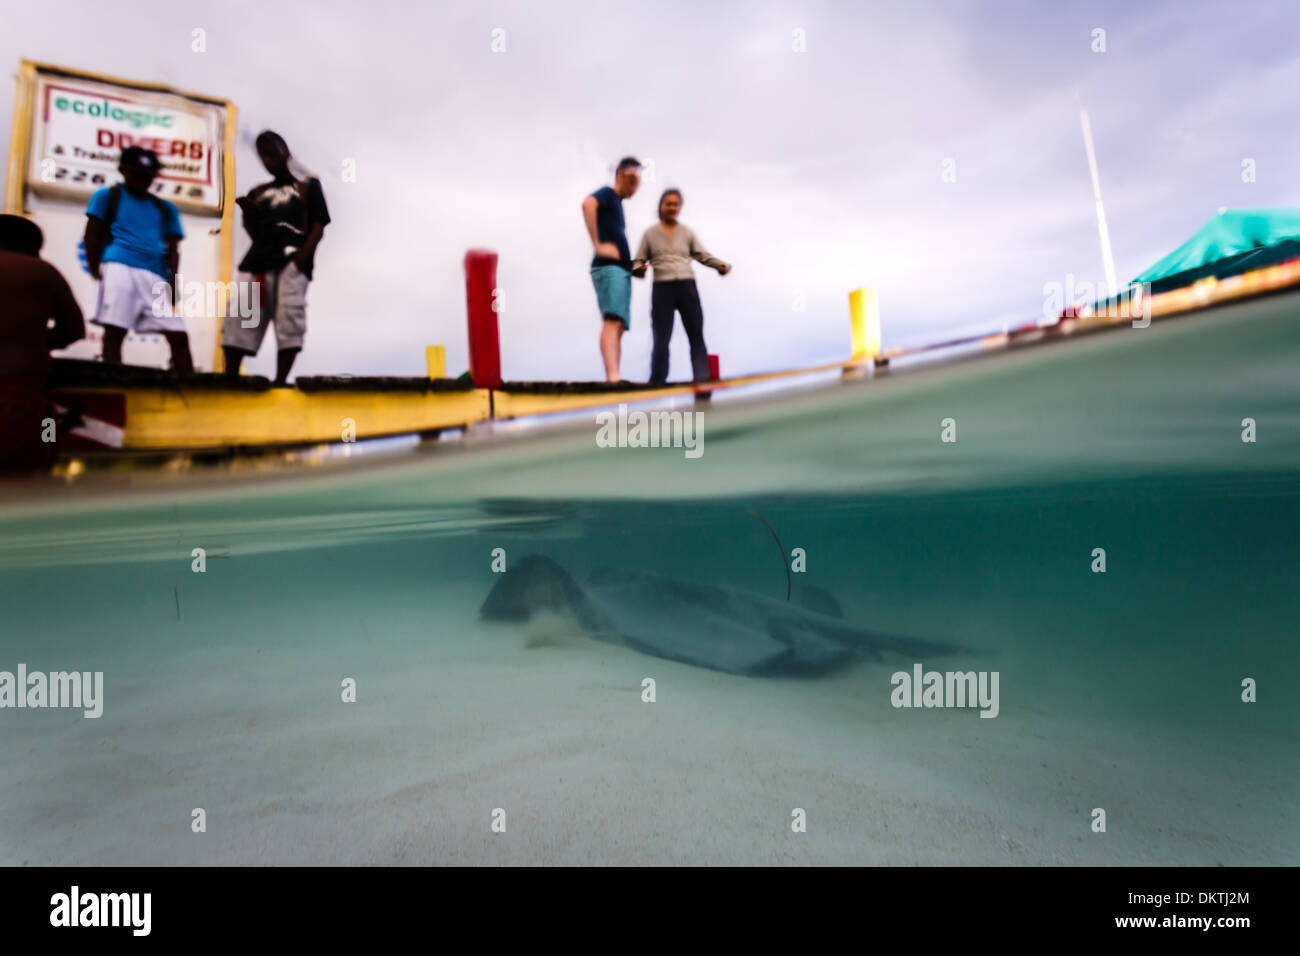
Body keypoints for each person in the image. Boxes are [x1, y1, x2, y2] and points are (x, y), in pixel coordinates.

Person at [222, 131, 329, 386]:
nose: (268, 161)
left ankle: (280, 380)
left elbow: (319, 223)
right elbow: (253, 232)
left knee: (289, 317)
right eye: (263, 156)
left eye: (272, 154)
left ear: (286, 151)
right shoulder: (259, 191)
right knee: (240, 316)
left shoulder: (308, 184)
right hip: (256, 262)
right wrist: (250, 214)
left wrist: (301, 260)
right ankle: (229, 378)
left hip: (291, 262)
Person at [83, 146, 193, 373]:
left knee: (178, 334)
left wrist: (173, 283)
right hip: (118, 267)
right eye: (136, 174)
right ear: (123, 170)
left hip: (154, 275)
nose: (142, 180)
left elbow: (173, 250)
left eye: (147, 176)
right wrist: (95, 267)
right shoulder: (107, 196)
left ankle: (189, 385)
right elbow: (91, 235)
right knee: (115, 329)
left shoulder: (166, 209)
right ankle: (113, 379)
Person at [0, 215, 85, 474]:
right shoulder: (44, 272)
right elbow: (74, 330)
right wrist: (36, 342)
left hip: (23, 401)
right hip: (27, 407)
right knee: (35, 477)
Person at [632, 189, 730, 384]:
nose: (672, 208)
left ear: (680, 208)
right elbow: (638, 260)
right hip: (662, 288)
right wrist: (638, 269)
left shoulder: (686, 233)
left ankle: (702, 378)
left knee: (696, 334)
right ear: (661, 206)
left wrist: (720, 265)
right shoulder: (650, 234)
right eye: (668, 204)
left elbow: (702, 255)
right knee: (661, 337)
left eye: (676, 204)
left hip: (687, 286)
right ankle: (657, 381)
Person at [582, 157, 641, 382]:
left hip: (621, 270)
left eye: (638, 182)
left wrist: (633, 267)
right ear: (620, 175)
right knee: (612, 319)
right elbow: (587, 204)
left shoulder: (617, 204)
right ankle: (613, 375)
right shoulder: (607, 193)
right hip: (609, 267)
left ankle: (615, 374)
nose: (635, 186)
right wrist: (597, 245)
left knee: (619, 327)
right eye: (632, 179)